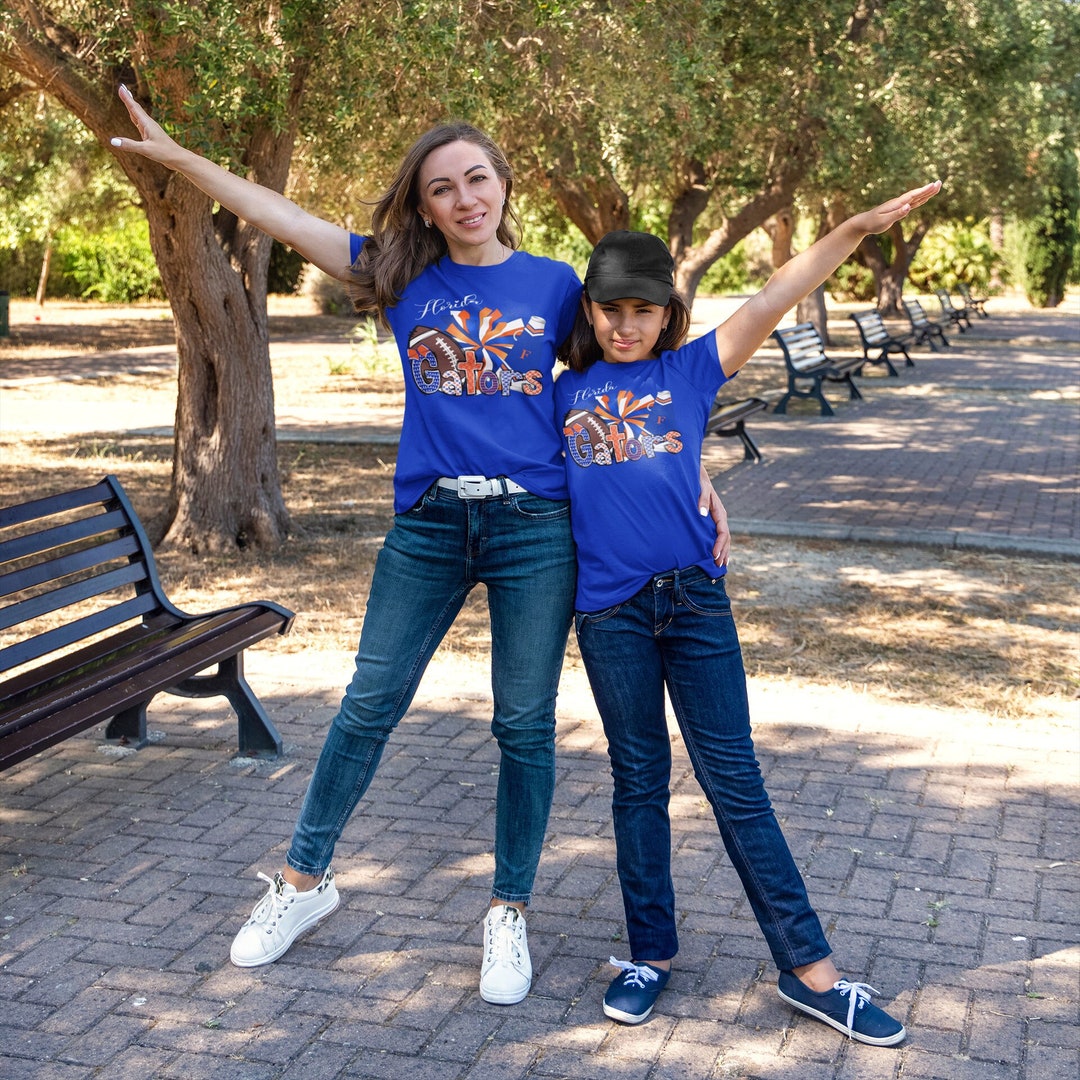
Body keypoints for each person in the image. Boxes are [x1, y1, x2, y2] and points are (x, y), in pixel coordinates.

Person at [110, 83, 728, 1005]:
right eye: (442, 188)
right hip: (431, 524)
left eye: (477, 179)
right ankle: (303, 884)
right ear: (424, 204)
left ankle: (507, 911)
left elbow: (621, 388)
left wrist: (696, 476)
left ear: (503, 185)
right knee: (369, 702)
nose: (464, 199)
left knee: (523, 724)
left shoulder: (557, 285)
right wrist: (181, 161)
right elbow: (274, 214)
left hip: (534, 527)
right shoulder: (398, 274)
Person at [553, 180, 941, 1041]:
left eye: (644, 311)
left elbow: (776, 293)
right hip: (609, 614)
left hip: (694, 602)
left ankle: (812, 972)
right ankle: (649, 954)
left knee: (736, 784)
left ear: (667, 318)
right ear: (589, 309)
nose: (626, 324)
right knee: (637, 782)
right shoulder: (559, 391)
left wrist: (848, 226)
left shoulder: (690, 372)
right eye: (611, 309)